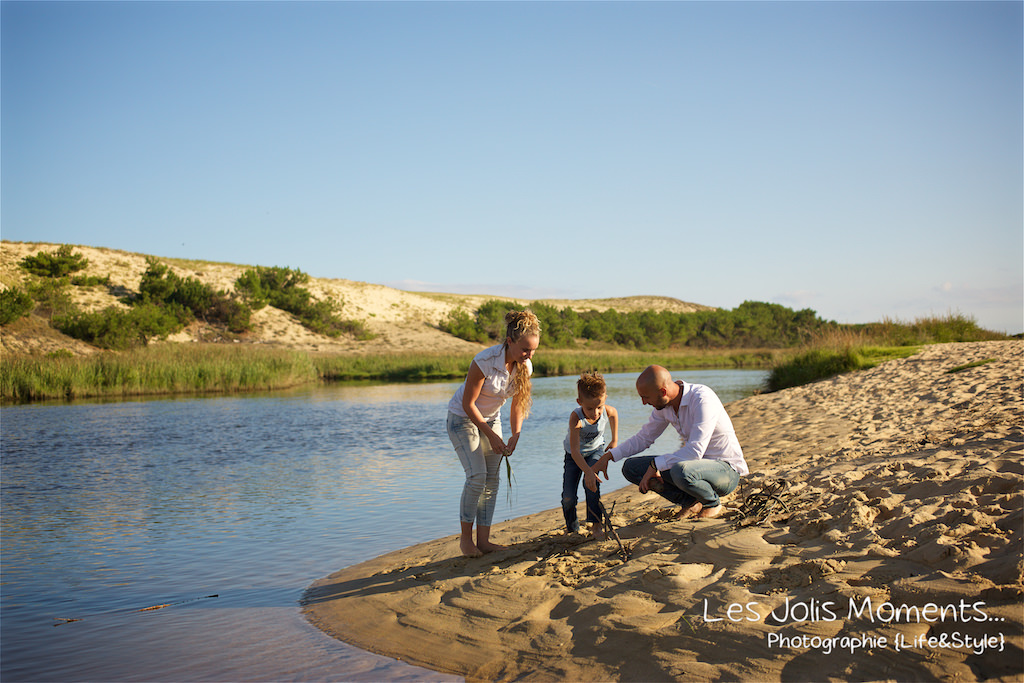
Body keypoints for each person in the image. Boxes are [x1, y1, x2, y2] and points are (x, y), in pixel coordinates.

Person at [594, 365, 747, 520]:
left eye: (646, 397)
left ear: (663, 392)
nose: (643, 402)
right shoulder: (664, 406)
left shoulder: (702, 398)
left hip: (725, 471)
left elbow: (695, 451)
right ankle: (690, 502)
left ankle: (711, 503)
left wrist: (655, 465)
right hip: (694, 468)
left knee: (680, 470)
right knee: (631, 468)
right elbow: (643, 438)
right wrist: (609, 456)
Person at [446, 310, 541, 557]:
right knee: (477, 476)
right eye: (525, 350)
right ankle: (466, 541)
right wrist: (490, 435)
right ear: (510, 341)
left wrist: (516, 433)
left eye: (533, 351)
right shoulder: (483, 361)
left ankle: (484, 541)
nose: (529, 356)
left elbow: (519, 403)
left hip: (491, 419)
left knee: (492, 480)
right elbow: (469, 404)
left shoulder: (524, 366)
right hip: (463, 419)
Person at [561, 372, 618, 539]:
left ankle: (596, 525)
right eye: (590, 408)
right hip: (574, 456)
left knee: (591, 485)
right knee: (568, 497)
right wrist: (587, 471)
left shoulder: (606, 410)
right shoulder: (575, 418)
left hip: (595, 451)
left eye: (599, 407)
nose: (595, 413)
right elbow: (576, 452)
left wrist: (614, 439)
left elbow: (614, 415)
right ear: (580, 403)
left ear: (605, 398)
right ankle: (572, 529)